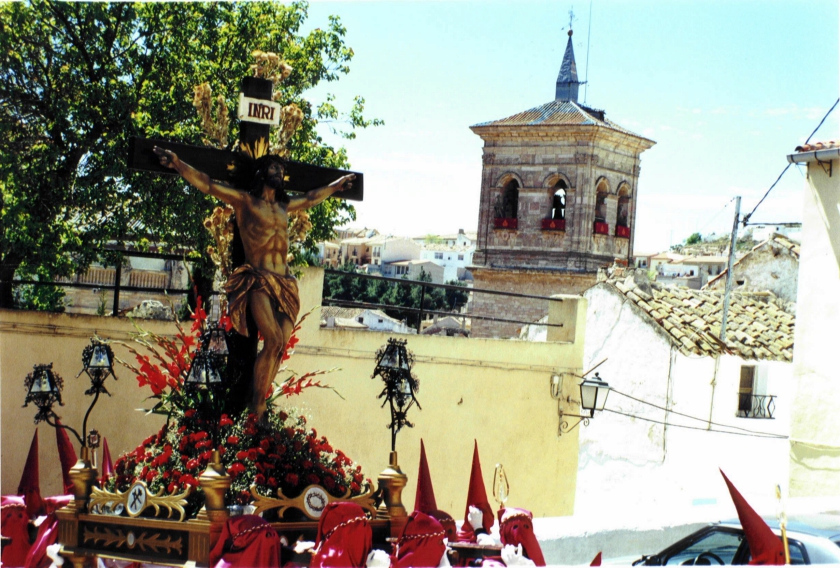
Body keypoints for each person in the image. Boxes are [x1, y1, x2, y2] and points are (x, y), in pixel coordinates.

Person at [154, 147, 354, 419]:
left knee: (281, 346)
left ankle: (258, 399)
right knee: (273, 340)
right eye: (273, 167)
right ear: (261, 172)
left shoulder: (284, 206)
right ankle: (257, 407)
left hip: (285, 282)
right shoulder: (245, 201)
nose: (279, 172)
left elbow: (310, 198)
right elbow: (208, 184)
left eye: (281, 169)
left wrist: (336, 186)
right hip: (258, 280)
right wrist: (178, 163)